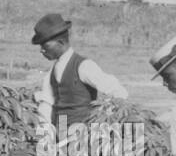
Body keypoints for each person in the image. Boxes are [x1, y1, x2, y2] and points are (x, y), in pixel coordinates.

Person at [32, 13, 128, 142]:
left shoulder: (84, 66)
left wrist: (103, 118)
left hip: (83, 136)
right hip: (60, 136)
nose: (42, 50)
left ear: (60, 42)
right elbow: (46, 107)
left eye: (45, 46)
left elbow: (117, 91)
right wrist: (44, 139)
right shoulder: (51, 73)